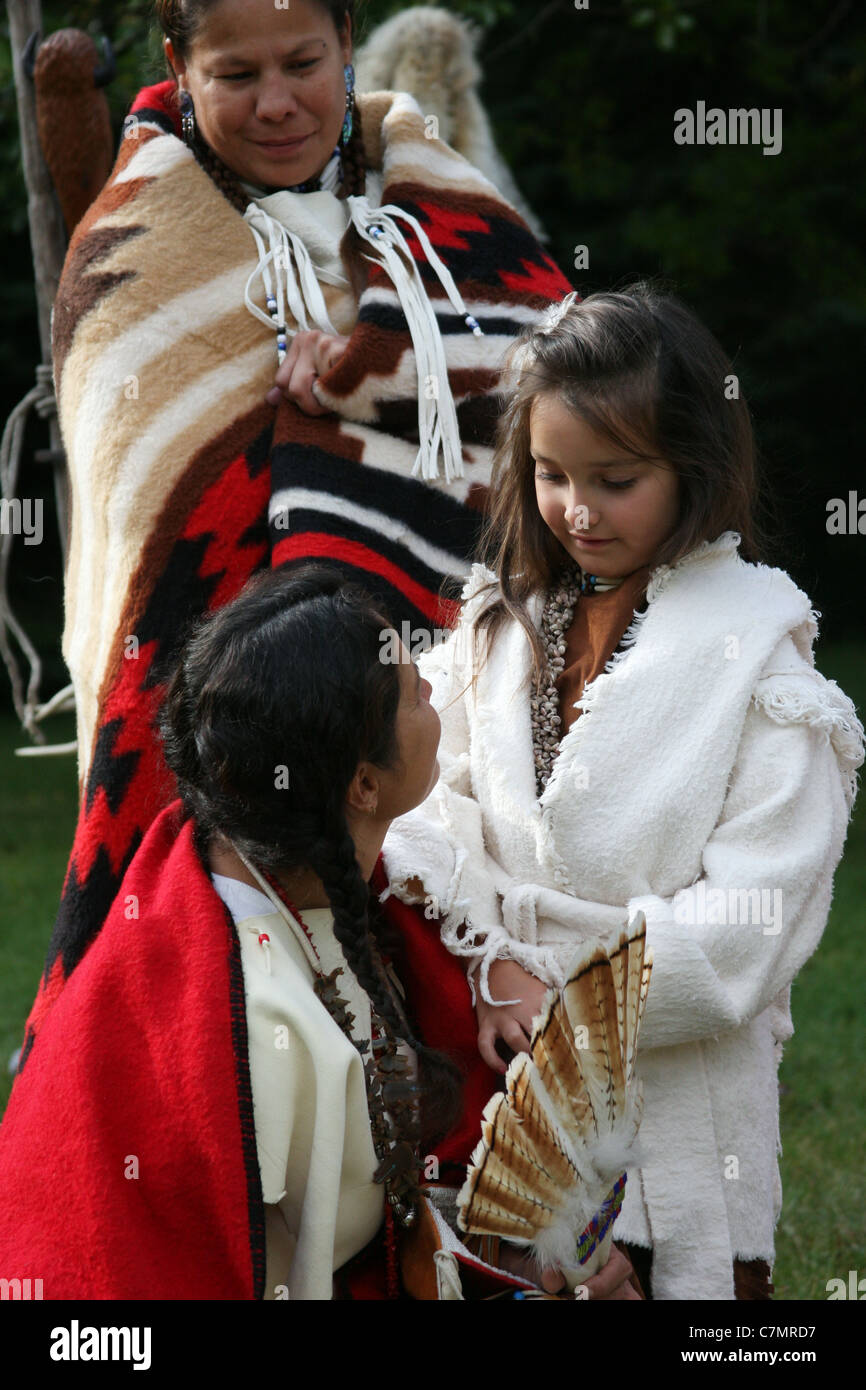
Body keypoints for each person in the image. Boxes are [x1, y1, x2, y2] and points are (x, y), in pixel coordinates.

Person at [21, 0, 573, 1072]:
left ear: (345, 45)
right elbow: (154, 498)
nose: (277, 102)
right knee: (237, 1008)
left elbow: (562, 375)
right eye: (236, 75)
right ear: (180, 67)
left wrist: (360, 375)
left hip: (442, 668)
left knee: (459, 939)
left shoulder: (433, 187)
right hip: (230, 693)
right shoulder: (135, 241)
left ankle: (469, 1209)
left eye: (302, 63)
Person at [381, 283, 865, 1300]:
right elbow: (427, 802)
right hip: (498, 1060)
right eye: (550, 474)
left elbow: (753, 912)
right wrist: (494, 960)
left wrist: (578, 1006)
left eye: (615, 478)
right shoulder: (495, 623)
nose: (576, 509)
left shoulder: (766, 671)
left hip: (674, 1090)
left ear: (693, 466)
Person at [0, 564, 639, 1299]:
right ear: (362, 786)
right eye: (411, 692)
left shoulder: (250, 854)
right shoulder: (251, 1026)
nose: (431, 685)